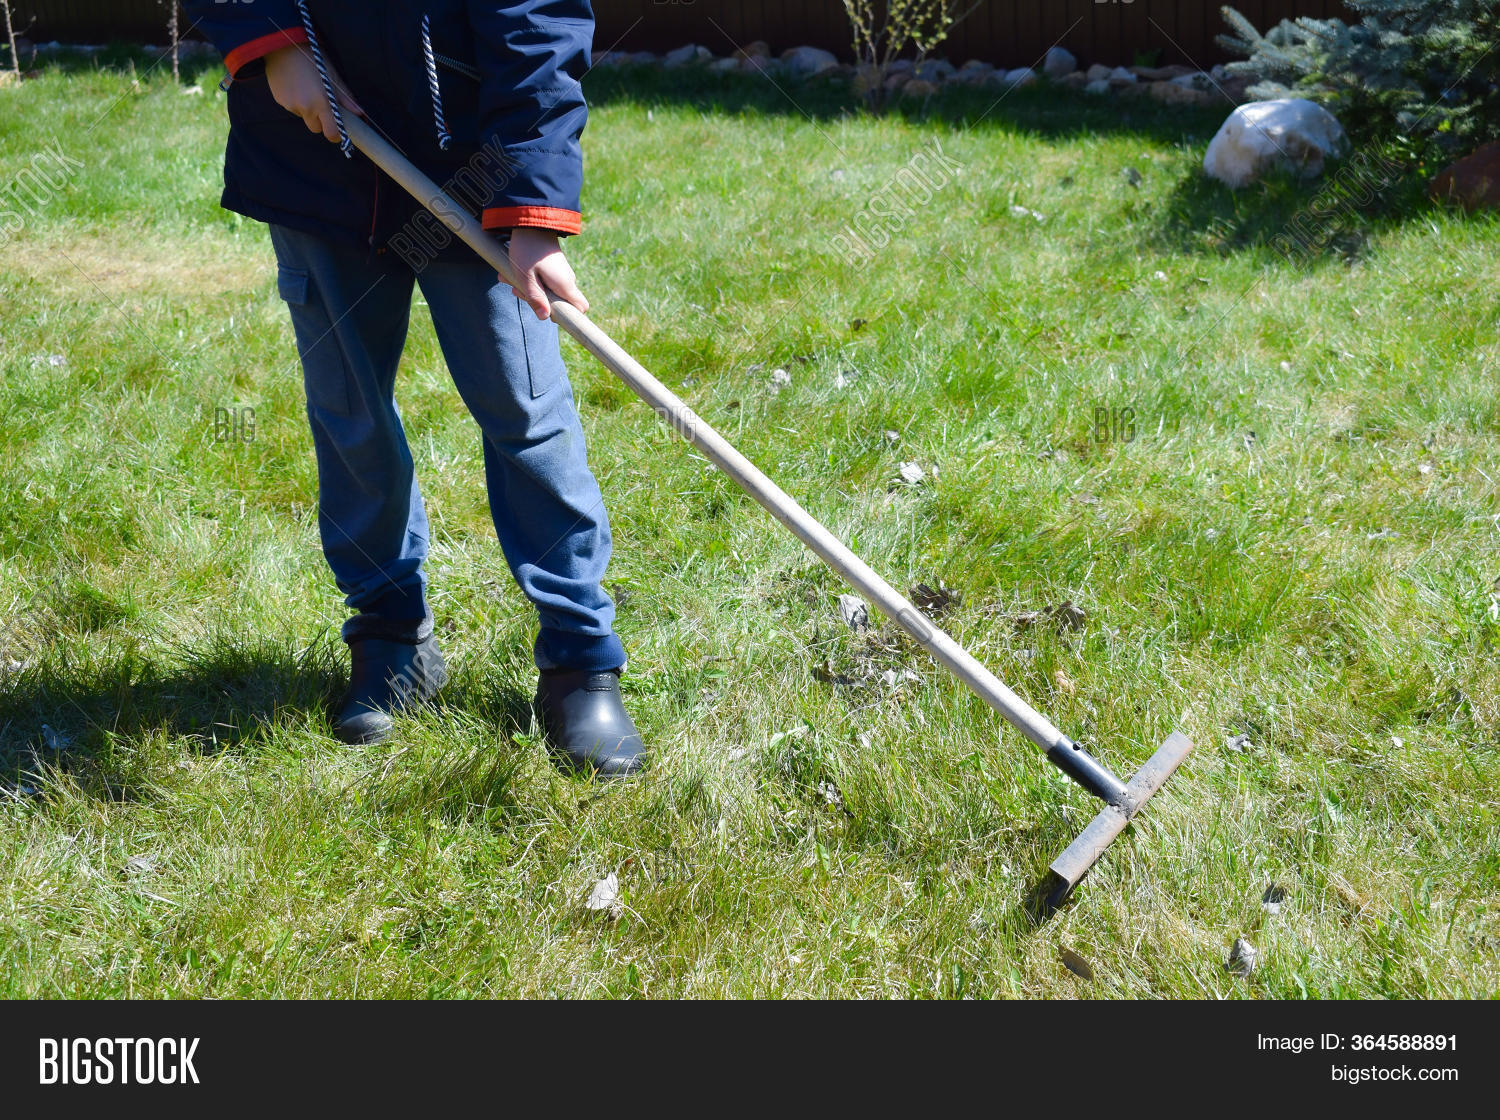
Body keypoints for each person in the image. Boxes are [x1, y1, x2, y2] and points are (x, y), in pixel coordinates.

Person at [182, 1, 643, 777]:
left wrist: (533, 207)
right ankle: (391, 637)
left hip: (474, 167)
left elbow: (539, 21)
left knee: (525, 410)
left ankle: (579, 656)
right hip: (313, 151)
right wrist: (274, 42)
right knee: (350, 409)